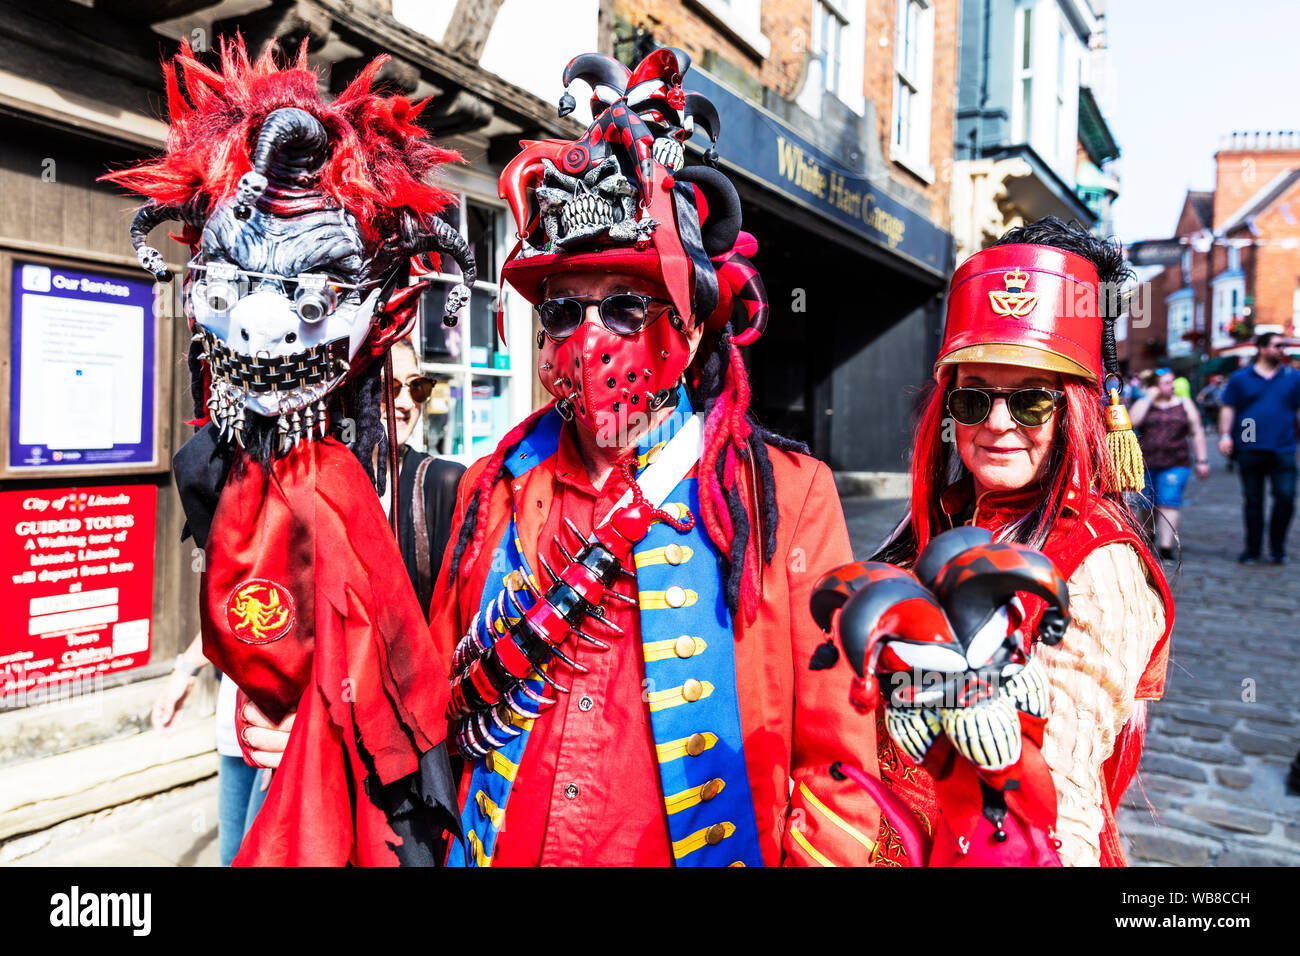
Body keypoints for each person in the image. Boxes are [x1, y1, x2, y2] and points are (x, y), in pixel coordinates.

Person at [421, 46, 878, 867]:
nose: (589, 338)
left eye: (628, 307)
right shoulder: (494, 486)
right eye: (564, 312)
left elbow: (841, 763)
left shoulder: (786, 495)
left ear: (693, 323)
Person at [109, 37, 476, 864]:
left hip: (371, 785)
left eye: (311, 293)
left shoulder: (440, 493)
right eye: (235, 286)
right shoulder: (213, 466)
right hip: (249, 748)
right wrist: (201, 670)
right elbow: (238, 588)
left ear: (385, 314)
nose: (266, 325)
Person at [873, 217, 1173, 867]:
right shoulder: (948, 515)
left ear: (1076, 410)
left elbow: (1054, 795)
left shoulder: (1100, 563)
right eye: (974, 400)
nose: (998, 424)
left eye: (1031, 401)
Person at [1218, 331, 1300, 564]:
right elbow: (1229, 408)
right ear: (1262, 348)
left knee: (1285, 498)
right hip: (1250, 445)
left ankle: (1277, 548)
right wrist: (1225, 435)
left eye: (1283, 346)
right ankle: (1252, 549)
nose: (1281, 350)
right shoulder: (1241, 378)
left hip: (1283, 447)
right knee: (1253, 501)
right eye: (1276, 345)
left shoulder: (1293, 377)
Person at [1130, 368, 1210, 560]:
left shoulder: (1185, 404)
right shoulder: (1144, 403)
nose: (1171, 386)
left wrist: (1202, 460)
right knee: (1147, 503)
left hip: (1176, 462)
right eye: (1166, 382)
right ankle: (1148, 537)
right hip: (1146, 463)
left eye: (1172, 381)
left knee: (1169, 502)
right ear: (1155, 386)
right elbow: (1133, 421)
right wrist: (1148, 399)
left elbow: (1197, 431)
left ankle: (1166, 547)